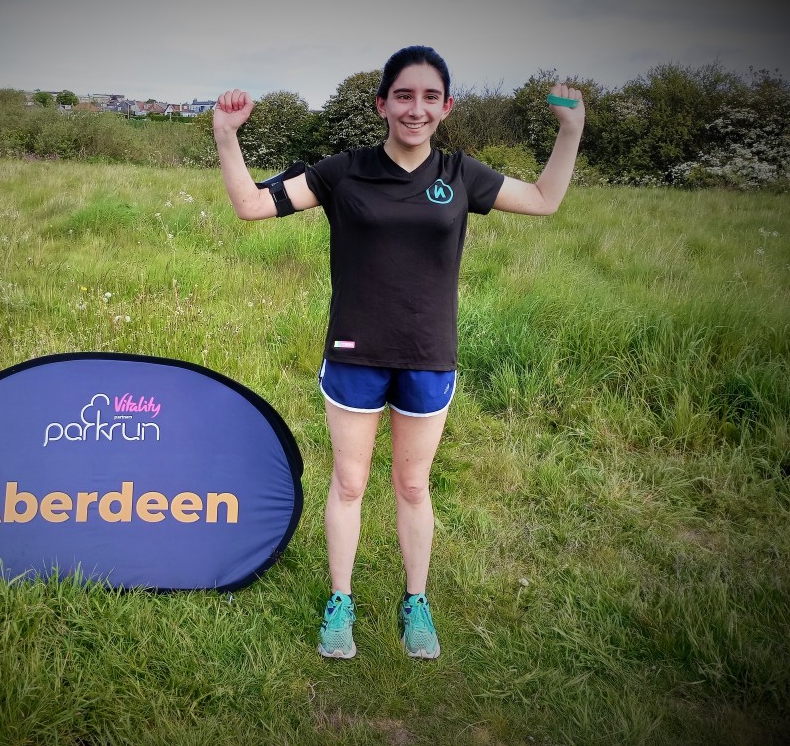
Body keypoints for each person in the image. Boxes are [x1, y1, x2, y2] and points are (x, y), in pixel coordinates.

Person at [212, 45, 584, 660]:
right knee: (350, 483)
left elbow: (545, 199)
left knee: (413, 487)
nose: (417, 109)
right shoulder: (342, 172)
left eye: (430, 97)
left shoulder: (461, 175)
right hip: (355, 354)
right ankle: (341, 602)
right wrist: (227, 136)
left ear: (446, 106)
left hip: (428, 354)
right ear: (382, 103)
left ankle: (417, 603)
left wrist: (569, 131)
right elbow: (252, 205)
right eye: (404, 96)